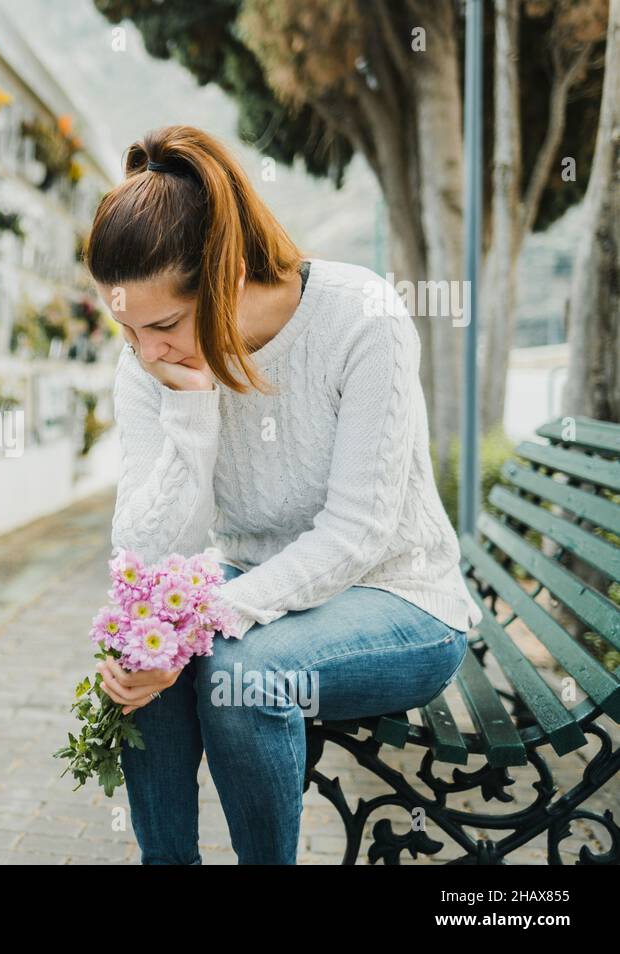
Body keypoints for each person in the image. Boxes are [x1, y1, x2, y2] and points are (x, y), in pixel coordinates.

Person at [84, 125, 483, 865]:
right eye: (127, 329)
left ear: (227, 271)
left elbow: (356, 535)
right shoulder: (149, 363)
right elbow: (144, 553)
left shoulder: (361, 316)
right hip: (263, 594)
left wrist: (205, 621)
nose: (147, 353)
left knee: (242, 673)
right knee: (143, 656)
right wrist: (193, 411)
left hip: (400, 599)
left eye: (166, 324)